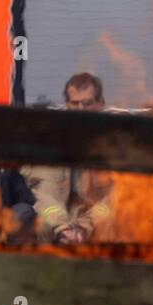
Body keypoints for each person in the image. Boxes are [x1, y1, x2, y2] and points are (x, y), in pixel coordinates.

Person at [22, 73, 115, 244]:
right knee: (38, 220)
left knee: (112, 220)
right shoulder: (48, 143)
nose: (80, 110)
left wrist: (85, 226)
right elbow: (42, 194)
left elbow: (116, 198)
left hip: (97, 217)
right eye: (74, 103)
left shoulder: (115, 146)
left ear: (100, 104)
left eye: (87, 104)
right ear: (67, 105)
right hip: (55, 217)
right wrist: (62, 227)